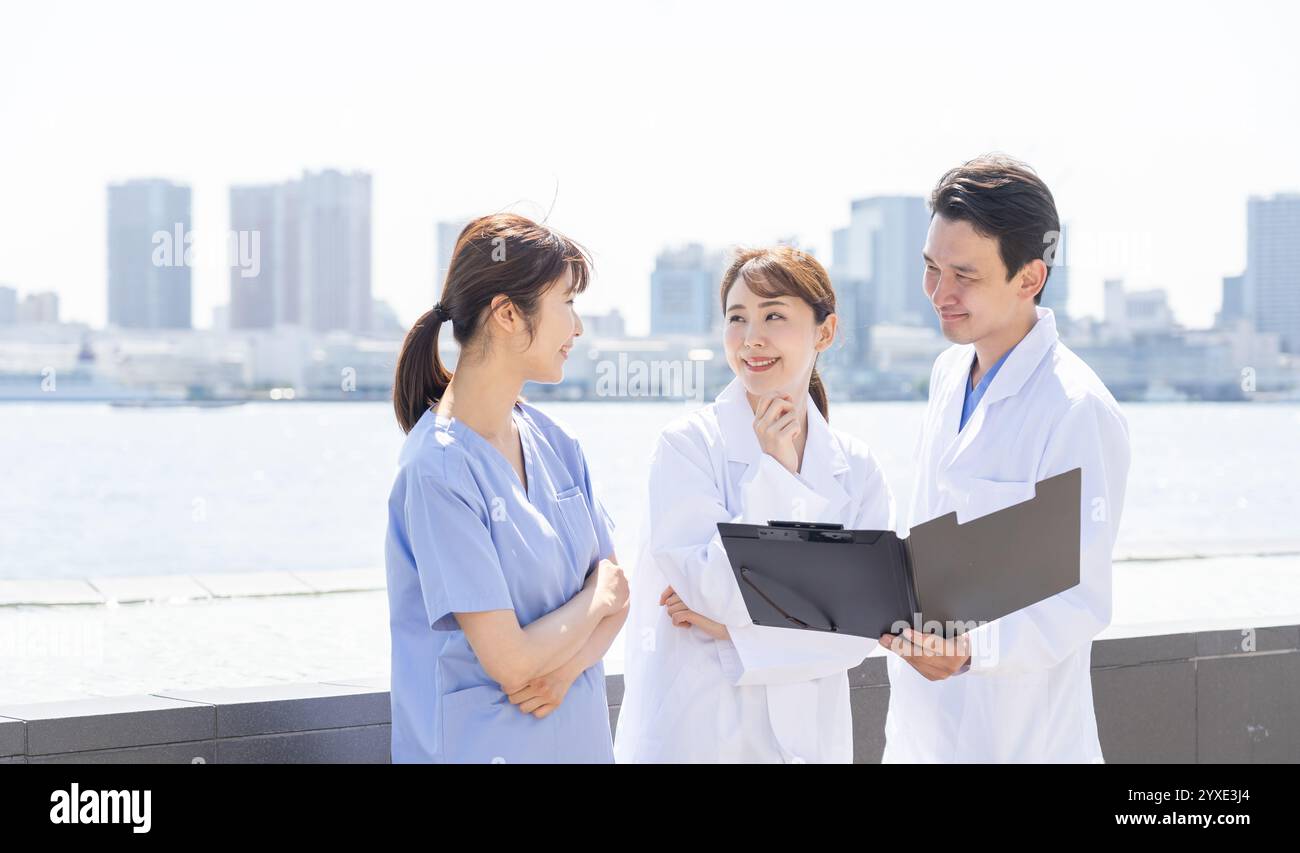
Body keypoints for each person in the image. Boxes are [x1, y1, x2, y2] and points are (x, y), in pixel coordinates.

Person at [878, 155, 1131, 762]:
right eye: (931, 269)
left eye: (964, 275)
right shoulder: (947, 375)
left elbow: (1080, 598)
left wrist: (971, 652)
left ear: (1029, 277)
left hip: (1023, 741)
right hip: (921, 735)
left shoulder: (1077, 409)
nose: (940, 293)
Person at [614, 246, 895, 763]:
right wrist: (775, 471)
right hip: (700, 737)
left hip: (811, 742)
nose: (751, 338)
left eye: (774, 316)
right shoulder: (686, 447)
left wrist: (733, 633)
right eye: (737, 318)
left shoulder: (857, 468)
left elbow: (861, 631)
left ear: (825, 332)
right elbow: (718, 593)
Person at [385, 213, 628, 763]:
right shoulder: (438, 469)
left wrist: (564, 671)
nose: (578, 327)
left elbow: (623, 596)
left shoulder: (557, 442)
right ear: (507, 313)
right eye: (567, 303)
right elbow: (512, 661)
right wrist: (596, 595)